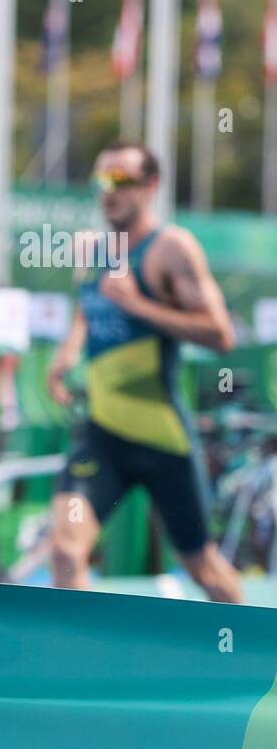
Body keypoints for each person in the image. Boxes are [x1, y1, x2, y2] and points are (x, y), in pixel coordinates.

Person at [48, 142, 241, 602]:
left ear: (151, 186)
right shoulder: (90, 250)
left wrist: (138, 304)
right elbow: (86, 313)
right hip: (103, 435)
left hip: (161, 438)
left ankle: (263, 662)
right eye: (101, 181)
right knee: (65, 551)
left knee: (204, 568)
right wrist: (67, 354)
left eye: (121, 181)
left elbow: (220, 334)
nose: (107, 192)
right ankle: (83, 667)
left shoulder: (172, 249)